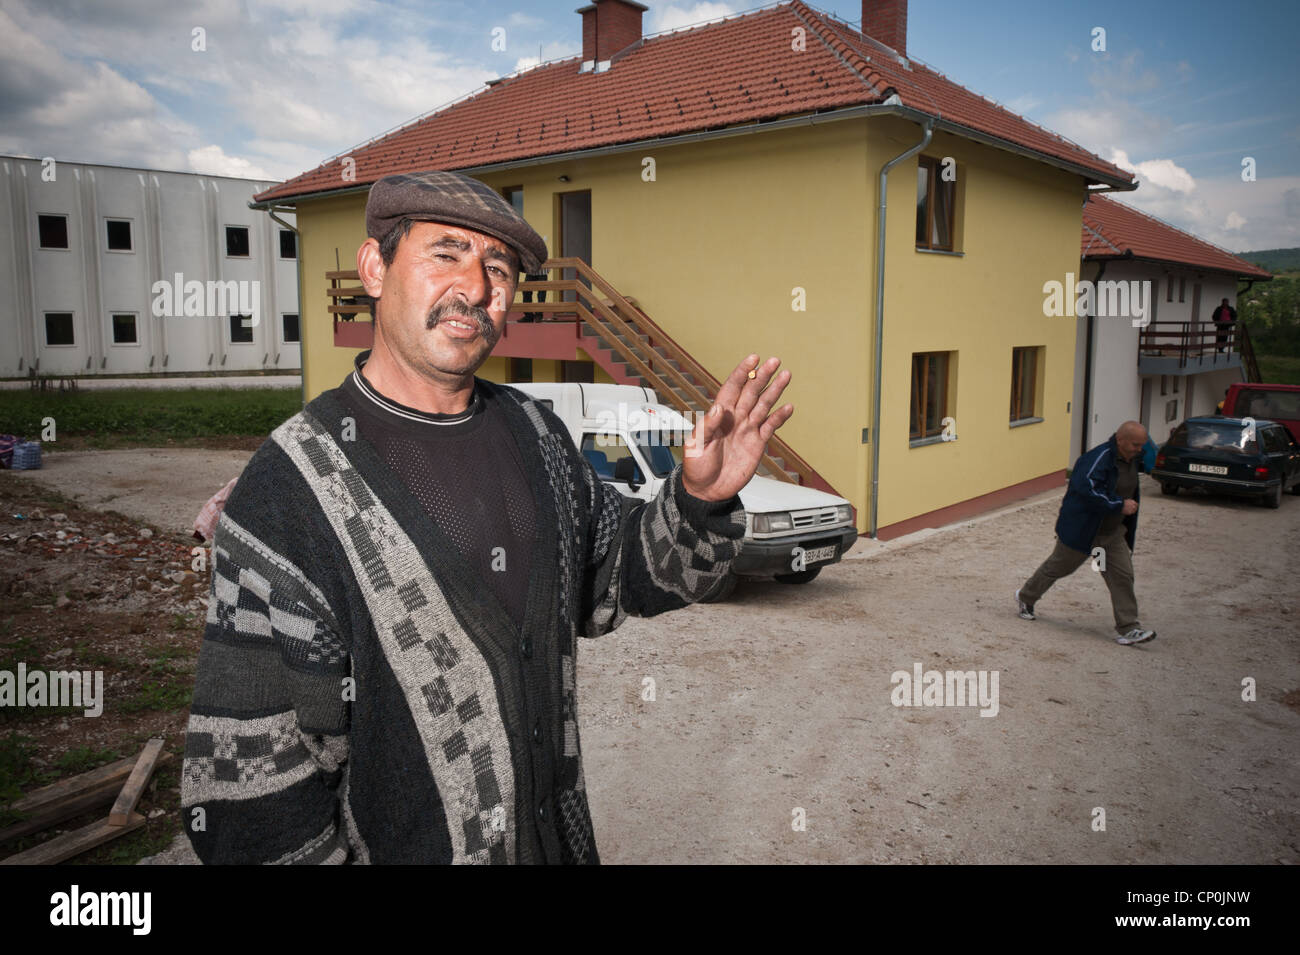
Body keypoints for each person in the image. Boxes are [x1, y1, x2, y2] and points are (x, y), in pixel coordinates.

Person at [180, 170, 794, 864]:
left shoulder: (537, 435)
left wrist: (697, 497)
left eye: (497, 267)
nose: (475, 288)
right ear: (374, 267)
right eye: (446, 253)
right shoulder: (289, 490)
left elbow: (618, 574)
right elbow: (245, 801)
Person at [1014, 420, 1156, 646]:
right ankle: (1026, 597)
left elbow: (1147, 466)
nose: (1140, 449)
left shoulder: (1133, 459)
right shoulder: (1097, 459)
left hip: (1110, 535)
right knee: (1059, 568)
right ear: (1120, 440)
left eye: (1142, 445)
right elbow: (1086, 491)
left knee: (1121, 576)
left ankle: (1129, 628)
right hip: (1083, 532)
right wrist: (1119, 504)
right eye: (1136, 445)